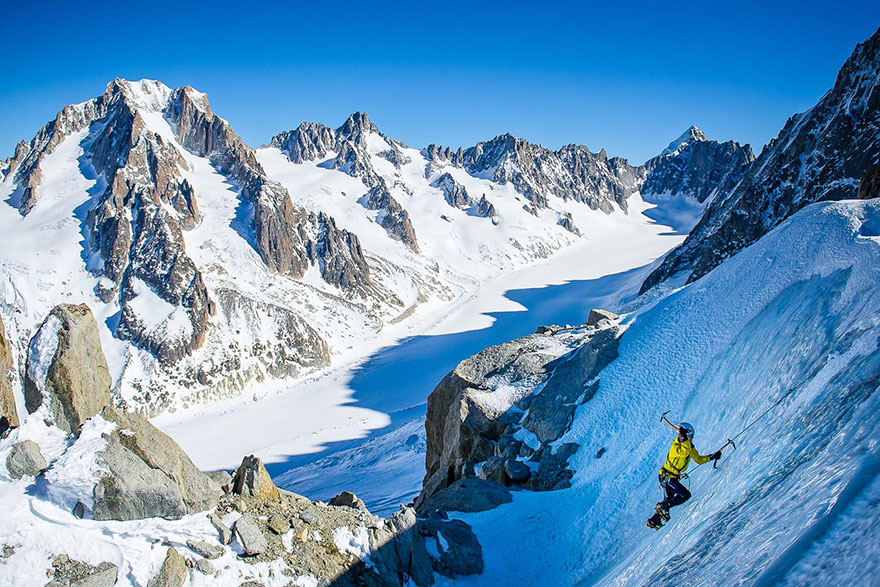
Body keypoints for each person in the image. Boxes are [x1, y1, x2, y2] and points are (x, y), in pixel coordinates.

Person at [647, 422, 721, 529]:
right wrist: (684, 438)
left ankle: (654, 521)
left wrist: (711, 457)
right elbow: (684, 452)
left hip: (670, 478)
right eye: (690, 436)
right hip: (666, 477)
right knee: (684, 495)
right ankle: (662, 508)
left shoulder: (688, 447)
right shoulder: (676, 447)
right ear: (684, 435)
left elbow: (698, 459)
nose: (692, 438)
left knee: (668, 501)